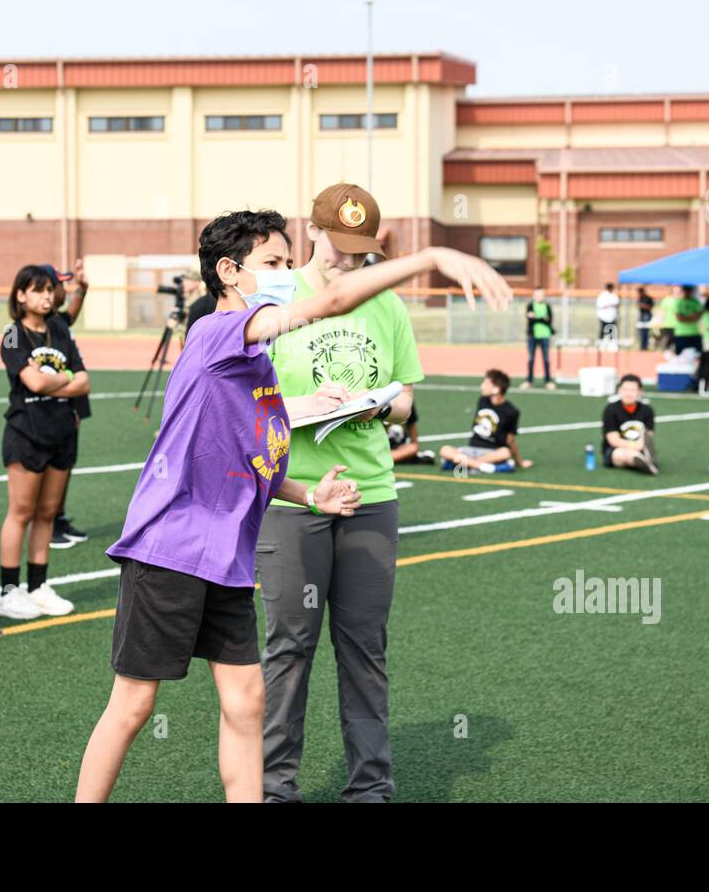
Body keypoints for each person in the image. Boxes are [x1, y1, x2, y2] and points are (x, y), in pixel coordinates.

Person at [73, 209, 511, 803]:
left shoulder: (259, 364)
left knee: (248, 700)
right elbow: (327, 304)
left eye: (285, 263)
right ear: (229, 272)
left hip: (224, 557)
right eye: (272, 265)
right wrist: (431, 259)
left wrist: (310, 494)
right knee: (135, 704)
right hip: (170, 547)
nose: (286, 276)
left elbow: (255, 460)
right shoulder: (214, 332)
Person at [258, 184, 436, 803]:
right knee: (289, 648)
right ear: (311, 231)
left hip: (371, 496)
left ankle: (370, 789)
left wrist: (382, 405)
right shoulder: (277, 296)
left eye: (363, 250)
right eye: (340, 245)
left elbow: (408, 398)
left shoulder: (386, 304)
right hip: (292, 498)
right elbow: (241, 394)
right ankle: (274, 788)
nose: (350, 260)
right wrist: (300, 406)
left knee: (365, 649)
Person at [0, 265, 91, 621]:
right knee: (21, 512)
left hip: (62, 432)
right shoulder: (12, 335)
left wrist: (58, 380)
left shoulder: (60, 328)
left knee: (47, 514)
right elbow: (32, 383)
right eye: (38, 290)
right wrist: (65, 379)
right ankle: (7, 591)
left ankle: (37, 586)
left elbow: (84, 382)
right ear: (20, 295)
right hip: (26, 434)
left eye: (50, 289)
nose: (47, 296)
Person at [40, 262, 90, 548]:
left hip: (71, 403)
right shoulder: (38, 323)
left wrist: (83, 289)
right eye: (61, 284)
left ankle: (56, 517)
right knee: (51, 466)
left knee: (65, 463)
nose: (64, 289)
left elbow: (71, 314)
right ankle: (46, 522)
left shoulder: (57, 320)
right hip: (54, 406)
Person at [440, 369, 532, 474]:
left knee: (505, 452)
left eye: (486, 383)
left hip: (491, 452)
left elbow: (510, 441)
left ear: (496, 389)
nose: (482, 385)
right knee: (445, 450)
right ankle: (483, 467)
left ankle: (463, 466)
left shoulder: (511, 411)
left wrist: (520, 462)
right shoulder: (483, 400)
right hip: (471, 449)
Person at [601, 373, 657, 474]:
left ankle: (644, 460)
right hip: (615, 450)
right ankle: (641, 461)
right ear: (619, 391)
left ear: (640, 392)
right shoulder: (611, 409)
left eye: (632, 390)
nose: (628, 393)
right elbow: (613, 440)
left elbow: (648, 436)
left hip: (640, 448)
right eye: (625, 390)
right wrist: (635, 446)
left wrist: (641, 446)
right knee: (622, 454)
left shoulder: (647, 410)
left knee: (640, 452)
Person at [522, 288, 556, 389]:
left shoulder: (547, 306)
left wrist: (536, 318)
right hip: (532, 336)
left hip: (545, 335)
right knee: (531, 358)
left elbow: (548, 319)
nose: (539, 297)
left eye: (541, 295)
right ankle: (529, 380)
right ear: (534, 296)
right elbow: (530, 318)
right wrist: (541, 318)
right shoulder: (530, 305)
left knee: (546, 359)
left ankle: (548, 380)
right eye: (537, 295)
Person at [671, 285, 703, 355]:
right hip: (681, 333)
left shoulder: (695, 302)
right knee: (680, 356)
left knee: (697, 355)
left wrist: (685, 317)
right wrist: (692, 317)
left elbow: (698, 316)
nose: (688, 292)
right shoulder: (678, 302)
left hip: (694, 333)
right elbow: (679, 318)